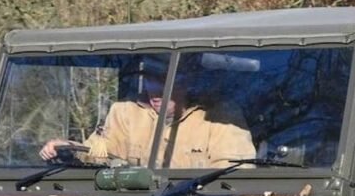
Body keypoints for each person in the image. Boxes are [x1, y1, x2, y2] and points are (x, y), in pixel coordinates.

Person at [40, 64, 255, 169]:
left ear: (185, 84)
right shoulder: (127, 112)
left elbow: (233, 174)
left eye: (165, 84)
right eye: (151, 83)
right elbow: (101, 153)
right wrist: (69, 148)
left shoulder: (218, 116)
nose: (155, 92)